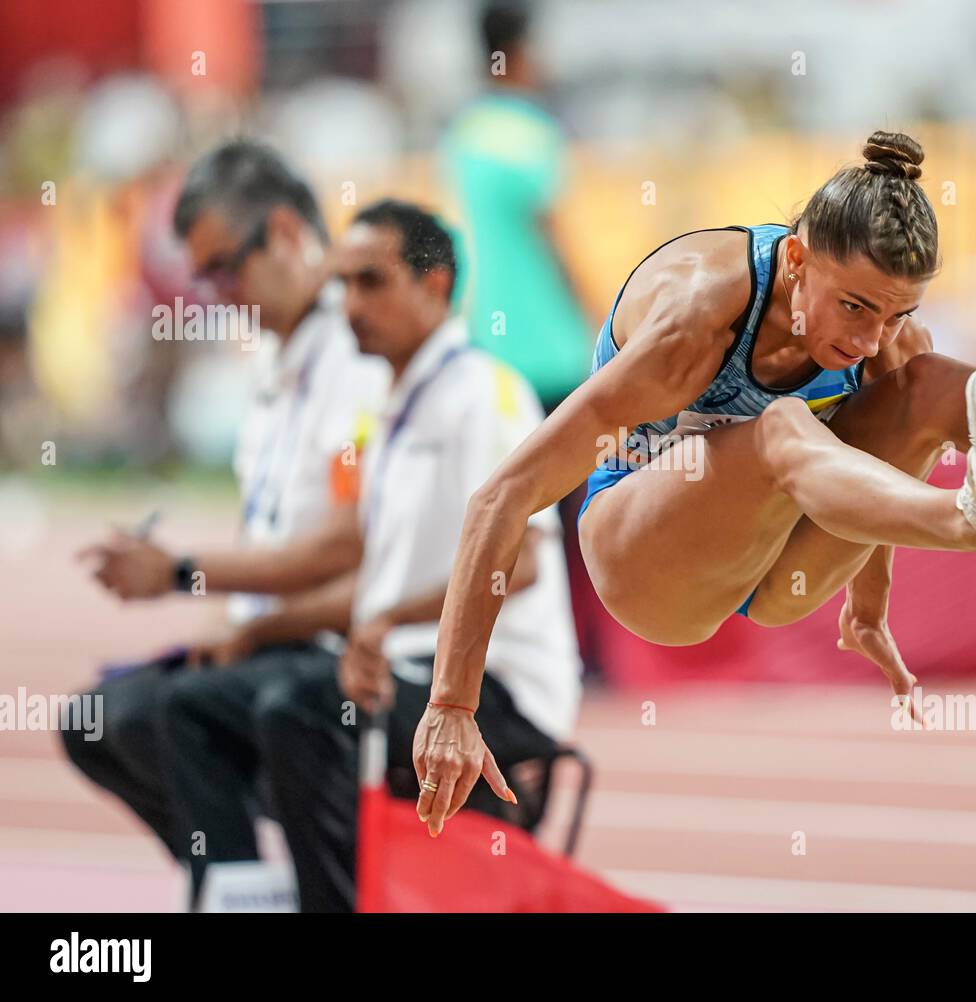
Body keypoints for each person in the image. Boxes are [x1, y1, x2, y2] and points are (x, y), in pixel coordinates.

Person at [409, 129, 976, 836]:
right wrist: (451, 704)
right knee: (783, 430)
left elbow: (867, 464)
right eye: (857, 308)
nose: (869, 338)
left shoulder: (878, 336)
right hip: (644, 564)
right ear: (794, 259)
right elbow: (501, 497)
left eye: (894, 312)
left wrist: (869, 607)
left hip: (774, 572)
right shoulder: (693, 325)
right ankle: (974, 520)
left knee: (925, 380)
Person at [162, 200, 581, 911]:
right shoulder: (385, 412)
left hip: (495, 686)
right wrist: (264, 629)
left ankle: (334, 901)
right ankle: (243, 892)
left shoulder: (486, 394)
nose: (350, 304)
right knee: (187, 705)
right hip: (396, 668)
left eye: (371, 283)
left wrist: (388, 620)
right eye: (343, 285)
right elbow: (371, 580)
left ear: (436, 285)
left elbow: (530, 562)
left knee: (297, 707)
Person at [65, 139, 388, 897]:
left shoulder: (361, 352)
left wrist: (183, 572)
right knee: (98, 720)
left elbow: (349, 538)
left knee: (183, 710)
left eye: (222, 268)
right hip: (272, 643)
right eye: (202, 275)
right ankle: (238, 887)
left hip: (337, 644)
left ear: (282, 232)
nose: (216, 293)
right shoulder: (275, 364)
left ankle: (241, 890)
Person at [442, 0, 591, 412]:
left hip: (489, 341)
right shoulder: (533, 133)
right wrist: (595, 313)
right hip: (550, 344)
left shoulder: (463, 132)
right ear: (520, 52)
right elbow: (555, 239)